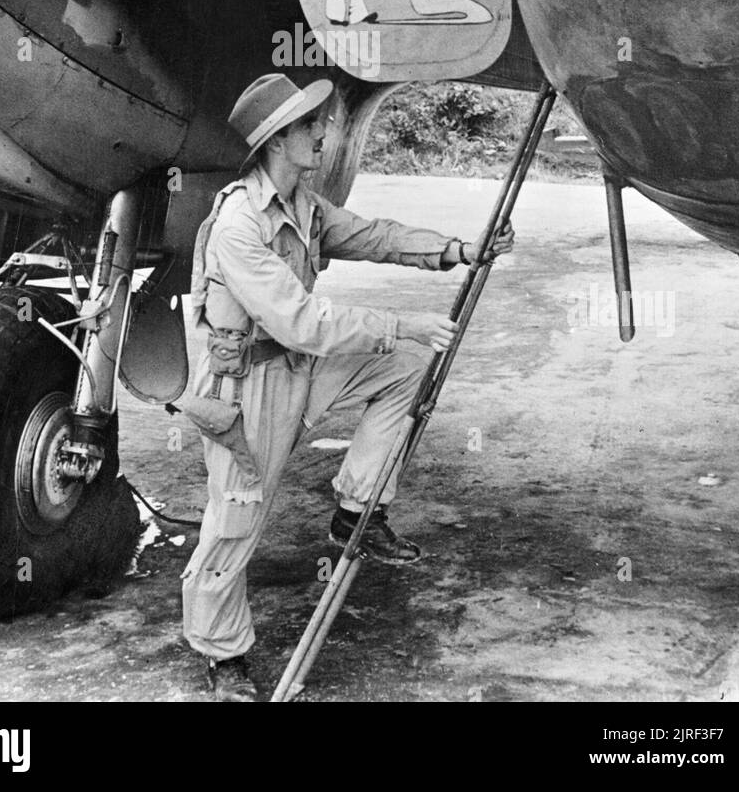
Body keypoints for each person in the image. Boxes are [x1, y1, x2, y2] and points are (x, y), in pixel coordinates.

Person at [180, 73, 514, 702]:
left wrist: (456, 250)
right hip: (244, 387)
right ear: (278, 141)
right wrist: (398, 322)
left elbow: (371, 235)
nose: (325, 132)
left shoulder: (303, 203)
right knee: (236, 520)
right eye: (310, 125)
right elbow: (300, 320)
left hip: (298, 368)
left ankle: (356, 509)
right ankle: (222, 655)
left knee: (407, 367)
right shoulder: (237, 224)